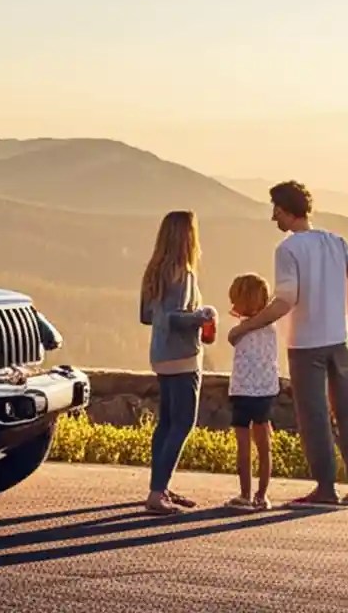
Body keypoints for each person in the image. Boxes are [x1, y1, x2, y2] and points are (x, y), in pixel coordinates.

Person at [227, 180, 348, 507]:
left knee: (314, 415)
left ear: (287, 210)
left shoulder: (288, 249)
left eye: (276, 211)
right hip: (339, 340)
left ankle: (326, 489)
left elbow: (285, 300)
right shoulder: (337, 242)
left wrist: (245, 327)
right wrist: (341, 318)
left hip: (306, 343)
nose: (273, 217)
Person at [139, 210, 218, 515]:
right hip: (184, 358)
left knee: (166, 424)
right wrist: (204, 316)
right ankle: (158, 492)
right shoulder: (184, 273)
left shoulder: (153, 272)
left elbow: (147, 316)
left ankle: (159, 485)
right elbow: (177, 318)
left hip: (161, 356)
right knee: (183, 423)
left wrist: (169, 317)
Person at [224, 273, 280, 510]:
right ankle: (262, 495)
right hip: (265, 392)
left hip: (242, 392)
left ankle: (245, 494)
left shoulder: (241, 330)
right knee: (264, 445)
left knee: (244, 446)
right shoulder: (270, 328)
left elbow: (231, 338)